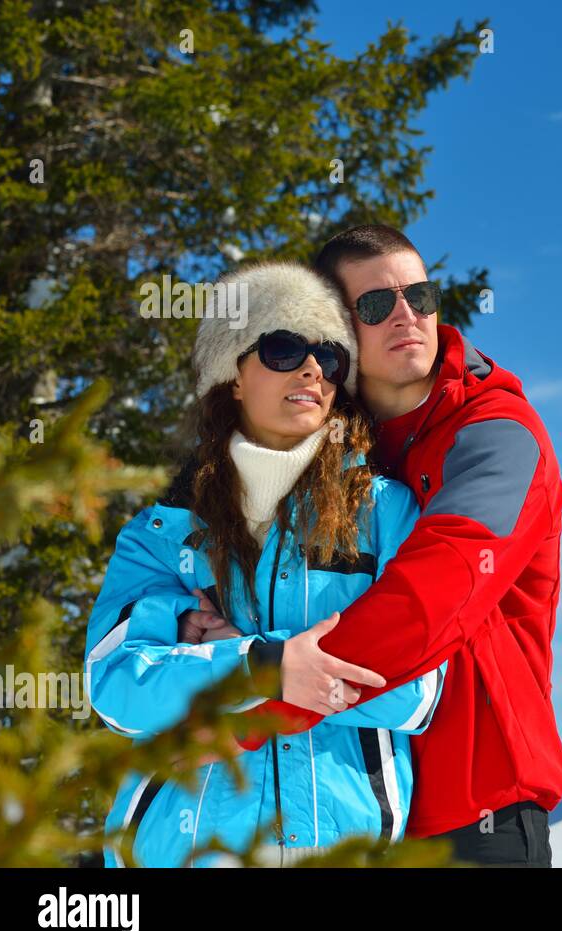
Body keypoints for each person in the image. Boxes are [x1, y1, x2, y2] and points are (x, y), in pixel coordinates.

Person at [213, 226, 562, 866]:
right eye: (377, 305)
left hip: (476, 807)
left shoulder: (498, 436)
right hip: (358, 809)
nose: (407, 316)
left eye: (421, 296)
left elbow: (437, 590)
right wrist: (186, 617)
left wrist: (263, 703)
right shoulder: (330, 447)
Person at [85, 261, 446, 867]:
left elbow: (416, 692)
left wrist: (223, 656)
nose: (311, 369)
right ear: (232, 374)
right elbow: (118, 687)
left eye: (330, 358)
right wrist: (267, 665)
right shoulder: (163, 531)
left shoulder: (388, 513)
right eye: (283, 349)